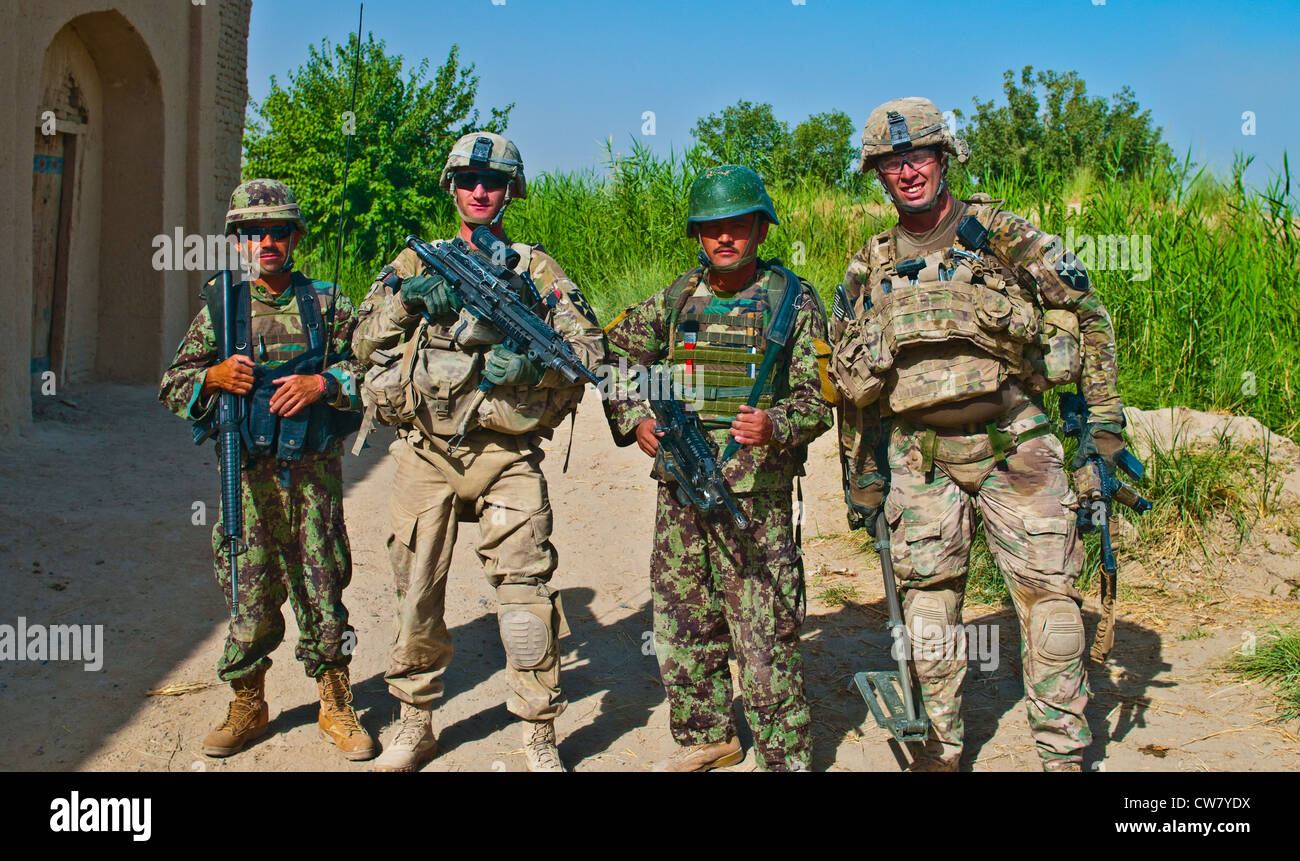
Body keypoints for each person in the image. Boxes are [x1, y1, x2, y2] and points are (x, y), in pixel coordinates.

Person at [829, 98, 1128, 772]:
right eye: (892, 163)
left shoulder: (1001, 235)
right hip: (920, 454)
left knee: (1053, 615)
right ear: (878, 174)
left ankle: (1063, 756)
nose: (908, 171)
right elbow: (849, 381)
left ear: (944, 158)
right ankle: (939, 751)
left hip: (1014, 442)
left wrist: (1103, 430)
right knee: (928, 620)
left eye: (919, 155)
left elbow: (1088, 313)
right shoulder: (869, 264)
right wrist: (862, 478)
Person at [352, 132, 604, 772]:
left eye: (493, 182)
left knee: (524, 597)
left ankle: (538, 731)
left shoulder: (537, 270)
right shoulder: (417, 262)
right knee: (416, 595)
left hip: (505, 452)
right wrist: (407, 302)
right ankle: (415, 722)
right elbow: (361, 344)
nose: (480, 192)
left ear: (511, 191)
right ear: (453, 188)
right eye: (468, 180)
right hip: (425, 450)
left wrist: (532, 368)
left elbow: (588, 354)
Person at [603, 165, 833, 771]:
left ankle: (785, 755)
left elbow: (818, 401)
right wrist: (636, 418)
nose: (724, 238)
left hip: (754, 494)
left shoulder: (791, 301)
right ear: (697, 235)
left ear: (761, 229)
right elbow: (614, 354)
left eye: (737, 225)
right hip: (682, 484)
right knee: (683, 619)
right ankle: (708, 735)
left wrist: (775, 424)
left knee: (765, 631)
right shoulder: (678, 297)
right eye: (711, 228)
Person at [159, 179, 373, 761]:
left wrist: (324, 382)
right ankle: (248, 702)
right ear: (238, 242)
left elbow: (375, 372)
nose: (267, 242)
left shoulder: (329, 305)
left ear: (295, 238)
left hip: (314, 482)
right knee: (248, 598)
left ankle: (335, 701)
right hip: (248, 484)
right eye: (254, 233)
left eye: (279, 231)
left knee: (323, 592)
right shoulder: (222, 309)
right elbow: (172, 385)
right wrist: (211, 377)